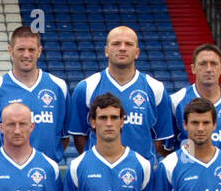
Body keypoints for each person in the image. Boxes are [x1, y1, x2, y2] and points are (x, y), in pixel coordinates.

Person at [68, 25, 174, 163]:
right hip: (98, 171)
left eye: (129, 44)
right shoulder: (86, 87)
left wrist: (140, 163)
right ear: (106, 51)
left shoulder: (156, 88)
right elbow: (79, 136)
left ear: (137, 52)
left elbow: (160, 138)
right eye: (116, 44)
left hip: (142, 175)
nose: (122, 48)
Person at [0, 25, 68, 162]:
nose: (26, 55)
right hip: (8, 175)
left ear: (39, 51)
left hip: (48, 176)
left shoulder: (59, 87)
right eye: (21, 49)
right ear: (10, 50)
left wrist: (48, 163)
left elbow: (64, 137)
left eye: (31, 49)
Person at [169, 43, 221, 158]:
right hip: (189, 172)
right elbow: (167, 148)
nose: (209, 69)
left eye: (213, 64)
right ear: (193, 69)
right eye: (203, 64)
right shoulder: (176, 101)